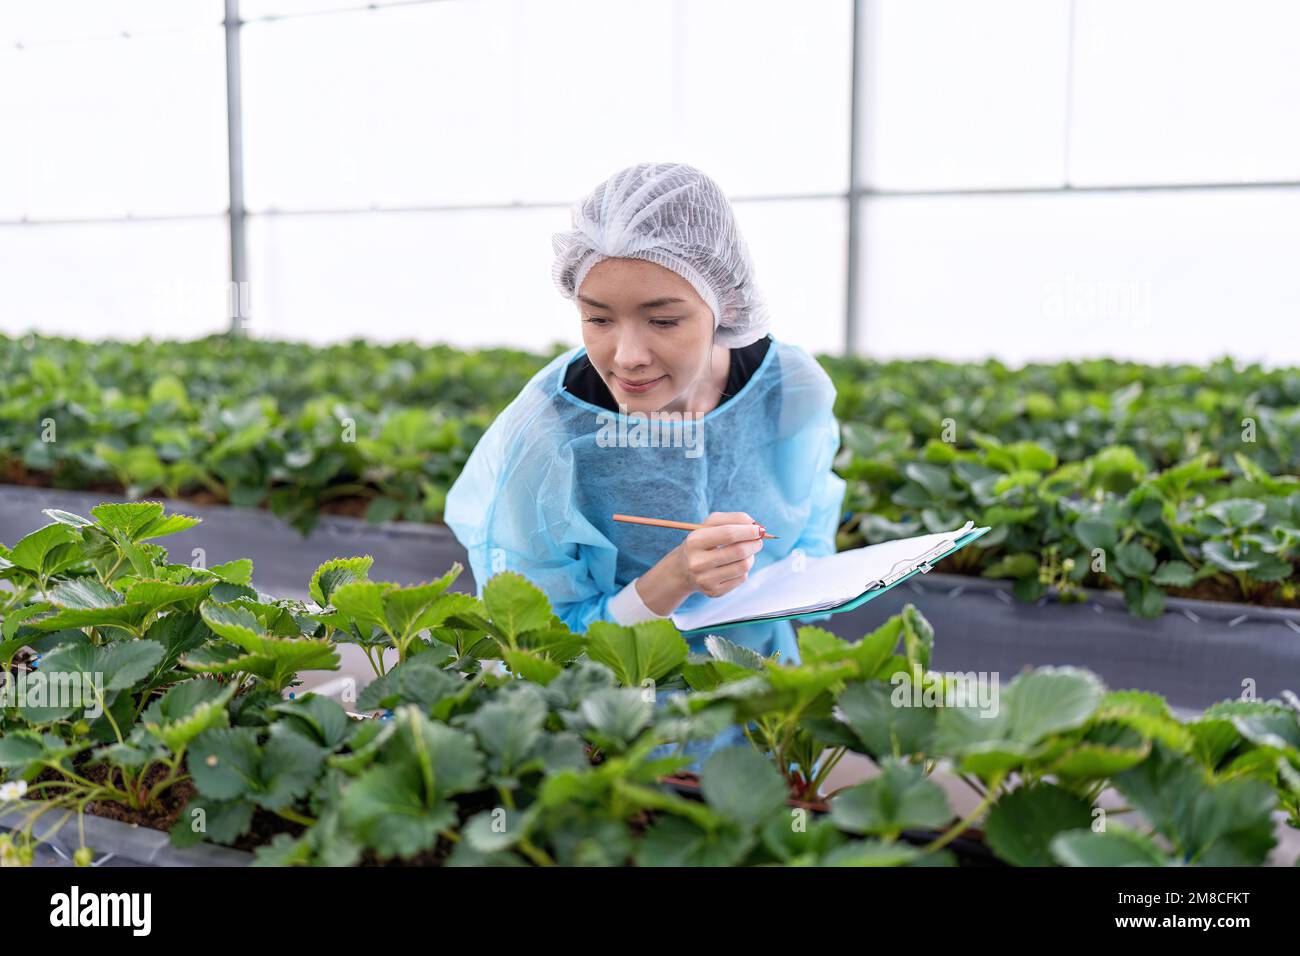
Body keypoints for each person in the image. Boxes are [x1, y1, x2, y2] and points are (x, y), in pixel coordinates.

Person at [444, 162, 846, 763]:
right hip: (617, 734)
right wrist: (674, 578)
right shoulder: (547, 433)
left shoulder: (788, 387)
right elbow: (544, 644)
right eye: (598, 318)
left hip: (764, 702)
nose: (627, 356)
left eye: (663, 320)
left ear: (725, 303)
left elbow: (810, 538)